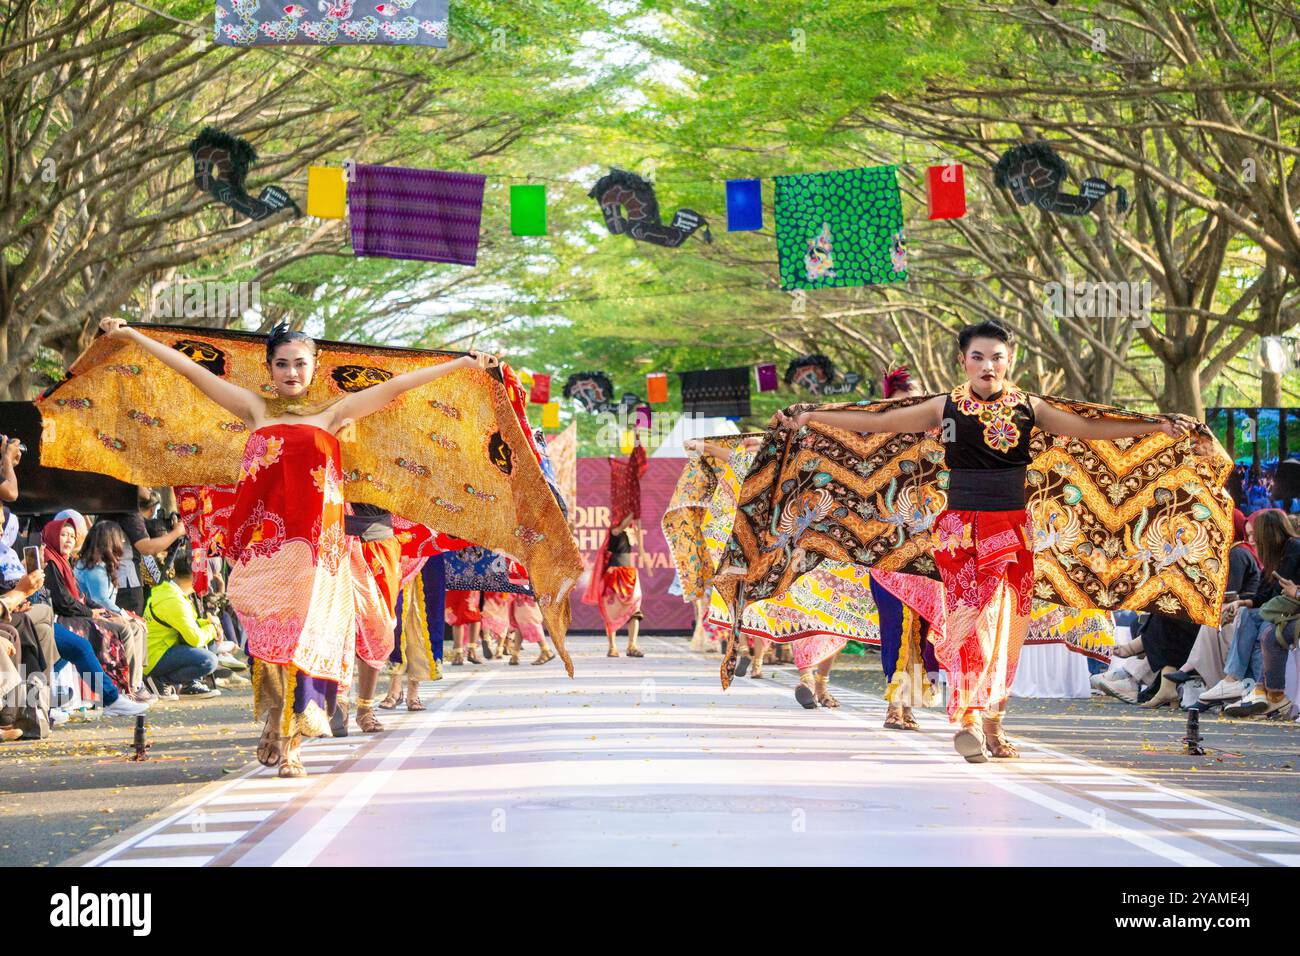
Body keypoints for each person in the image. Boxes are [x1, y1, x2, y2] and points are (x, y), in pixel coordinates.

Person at [96, 317, 499, 777]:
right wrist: (131, 337)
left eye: (300, 364)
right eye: (282, 364)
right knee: (268, 644)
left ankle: (290, 742)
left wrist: (462, 364)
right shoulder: (254, 410)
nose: (291, 372)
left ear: (314, 366)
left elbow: (398, 387)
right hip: (261, 551)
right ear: (268, 368)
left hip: (318, 553)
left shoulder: (332, 413)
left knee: (306, 642)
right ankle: (273, 720)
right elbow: (191, 370)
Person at [776, 320, 1190, 762]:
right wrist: (811, 415)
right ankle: (972, 719)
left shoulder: (1031, 408)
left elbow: (1091, 426)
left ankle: (992, 722)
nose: (988, 365)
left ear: (1010, 360)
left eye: (996, 357)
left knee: (1008, 628)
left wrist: (1158, 427)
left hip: (1013, 533)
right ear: (964, 361)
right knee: (974, 625)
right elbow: (876, 420)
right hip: (959, 535)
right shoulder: (944, 408)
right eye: (978, 357)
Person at [1198, 509, 1300, 708]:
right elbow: (1265, 596)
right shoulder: (1275, 554)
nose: (1251, 540)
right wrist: (1241, 602)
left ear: (1268, 533)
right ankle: (1246, 685)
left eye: (1255, 535)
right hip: (1282, 610)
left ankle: (1251, 686)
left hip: (1290, 610)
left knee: (1262, 627)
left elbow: (1277, 592)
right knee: (1249, 617)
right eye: (1248, 535)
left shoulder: (1293, 548)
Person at [40, 517, 149, 702]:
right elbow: (63, 601)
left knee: (132, 627)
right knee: (121, 628)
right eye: (63, 535)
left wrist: (98, 610)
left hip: (73, 615)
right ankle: (124, 688)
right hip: (62, 618)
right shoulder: (51, 562)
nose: (68, 540)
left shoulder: (63, 561)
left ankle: (130, 685)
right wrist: (95, 613)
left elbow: (82, 598)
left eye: (72, 536)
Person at [336, 503, 404, 735]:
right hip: (334, 540)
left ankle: (365, 708)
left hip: (379, 542)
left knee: (380, 628)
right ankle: (337, 703)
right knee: (335, 625)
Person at [72, 520, 151, 697]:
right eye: (120, 540)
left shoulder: (99, 564)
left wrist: (128, 615)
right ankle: (130, 684)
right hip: (91, 617)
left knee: (138, 626)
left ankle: (136, 681)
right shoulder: (94, 569)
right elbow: (101, 600)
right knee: (130, 628)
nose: (122, 543)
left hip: (101, 613)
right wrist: (125, 615)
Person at [143, 550, 221, 697]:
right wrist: (213, 628)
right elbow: (195, 638)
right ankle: (158, 679)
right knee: (209, 660)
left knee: (210, 642)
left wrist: (208, 624)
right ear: (196, 577)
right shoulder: (174, 599)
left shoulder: (171, 591)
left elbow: (186, 624)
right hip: (155, 656)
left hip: (161, 649)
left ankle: (190, 683)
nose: (207, 581)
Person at [112, 488, 186, 615]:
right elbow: (147, 548)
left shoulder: (115, 506)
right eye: (145, 482)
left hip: (114, 582)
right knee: (134, 629)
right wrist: (177, 532)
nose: (150, 487)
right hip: (126, 586)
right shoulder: (129, 511)